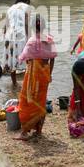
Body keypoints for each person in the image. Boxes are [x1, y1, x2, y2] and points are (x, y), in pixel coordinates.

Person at [16, 13, 56, 141]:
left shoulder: (32, 41)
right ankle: (38, 131)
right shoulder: (49, 39)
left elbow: (24, 58)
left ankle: (24, 132)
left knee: (27, 101)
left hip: (33, 76)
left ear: (33, 27)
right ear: (44, 26)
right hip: (44, 74)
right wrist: (50, 73)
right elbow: (52, 58)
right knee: (41, 102)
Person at [3, 0, 32, 89]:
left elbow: (5, 26)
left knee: (11, 60)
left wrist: (5, 38)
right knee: (28, 59)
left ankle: (14, 84)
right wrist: (29, 40)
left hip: (9, 35)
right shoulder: (27, 7)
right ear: (26, 1)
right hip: (21, 34)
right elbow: (27, 24)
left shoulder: (10, 9)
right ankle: (27, 83)